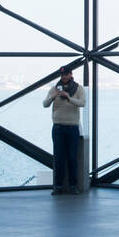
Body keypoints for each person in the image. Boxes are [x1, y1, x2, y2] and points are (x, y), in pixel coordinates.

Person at [43, 64, 87, 194]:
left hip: (72, 127)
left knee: (72, 157)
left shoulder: (78, 89)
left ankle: (73, 185)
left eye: (65, 74)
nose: (63, 77)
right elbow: (45, 104)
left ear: (71, 74)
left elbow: (82, 103)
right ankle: (58, 186)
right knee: (59, 158)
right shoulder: (54, 89)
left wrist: (68, 97)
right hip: (58, 127)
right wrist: (53, 96)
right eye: (61, 75)